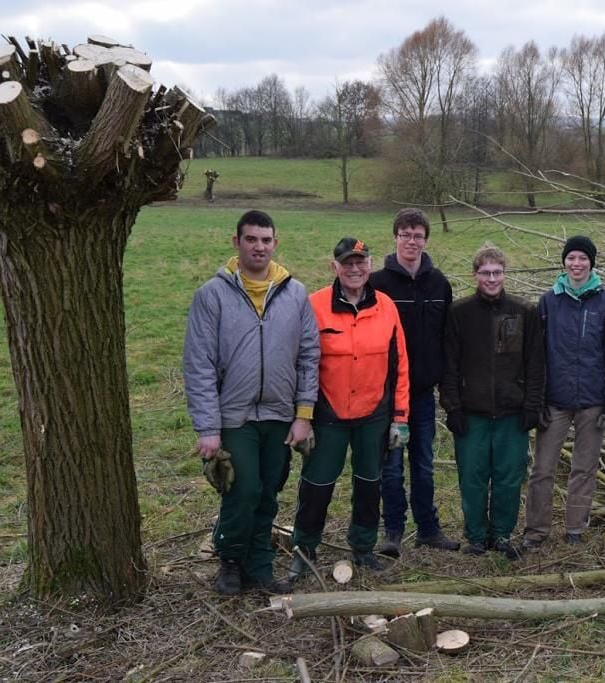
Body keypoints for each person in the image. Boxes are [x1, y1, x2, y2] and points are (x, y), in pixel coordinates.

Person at [184, 210, 319, 595]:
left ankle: (259, 566)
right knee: (241, 489)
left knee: (268, 489)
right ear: (236, 242)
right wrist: (208, 428)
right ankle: (229, 561)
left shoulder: (294, 293)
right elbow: (199, 363)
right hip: (235, 415)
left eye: (266, 240)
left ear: (276, 243)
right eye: (251, 239)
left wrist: (303, 415)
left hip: (280, 413)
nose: (259, 246)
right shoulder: (212, 295)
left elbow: (309, 356)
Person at [288, 237, 410, 578]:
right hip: (328, 414)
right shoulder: (314, 306)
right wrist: (303, 417)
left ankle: (363, 547)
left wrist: (400, 417)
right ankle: (304, 547)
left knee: (369, 483)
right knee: (317, 484)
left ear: (370, 265)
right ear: (335, 266)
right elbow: (301, 364)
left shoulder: (385, 306)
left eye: (361, 262)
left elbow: (400, 364)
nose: (354, 269)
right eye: (347, 262)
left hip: (374, 414)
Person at [439, 244, 545, 559]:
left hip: (513, 413)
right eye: (485, 273)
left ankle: (501, 535)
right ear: (475, 275)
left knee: (509, 478)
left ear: (505, 274)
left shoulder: (524, 311)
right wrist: (452, 406)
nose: (491, 278)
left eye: (497, 272)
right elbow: (449, 365)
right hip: (471, 414)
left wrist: (532, 405)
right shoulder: (459, 313)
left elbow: (536, 363)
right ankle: (475, 536)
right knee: (472, 477)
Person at [522, 235, 605, 549]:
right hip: (555, 401)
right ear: (564, 262)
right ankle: (536, 531)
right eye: (571, 258)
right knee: (542, 469)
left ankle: (575, 529)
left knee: (584, 468)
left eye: (582, 258)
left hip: (592, 402)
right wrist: (536, 398)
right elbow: (536, 354)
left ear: (591, 263)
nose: (576, 264)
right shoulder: (548, 302)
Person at [369, 208, 459, 558]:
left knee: (422, 464)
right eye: (405, 234)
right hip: (385, 394)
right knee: (390, 468)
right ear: (395, 238)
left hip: (422, 394)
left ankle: (428, 529)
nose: (411, 240)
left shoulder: (439, 284)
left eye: (417, 235)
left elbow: (447, 340)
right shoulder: (378, 284)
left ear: (425, 240)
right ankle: (392, 531)